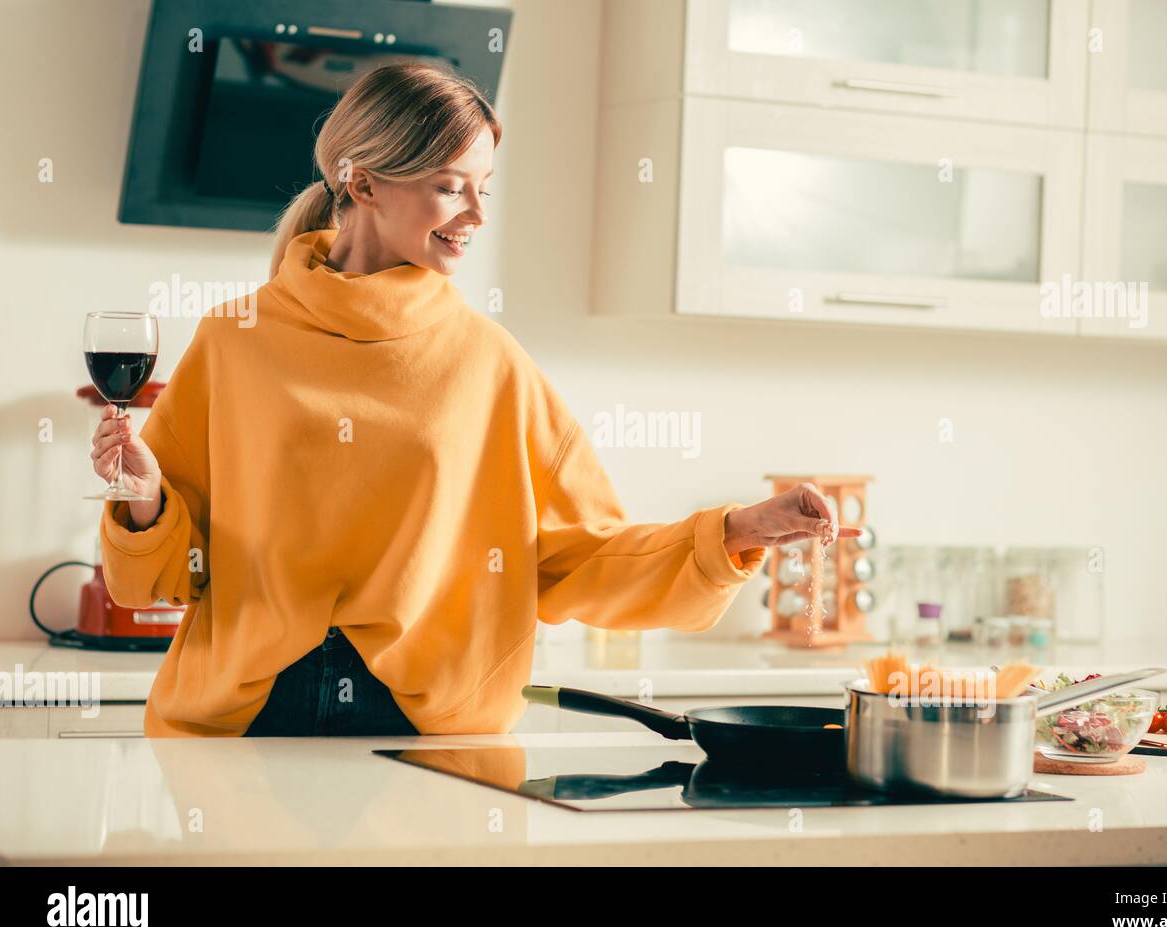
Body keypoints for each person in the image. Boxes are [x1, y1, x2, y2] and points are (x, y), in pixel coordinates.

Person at [90, 64, 856, 737]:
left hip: (429, 736)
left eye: (482, 188)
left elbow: (579, 557)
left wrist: (735, 532)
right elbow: (160, 576)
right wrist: (148, 499)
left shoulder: (490, 363)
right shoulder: (236, 340)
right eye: (450, 187)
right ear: (361, 183)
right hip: (242, 725)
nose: (476, 215)